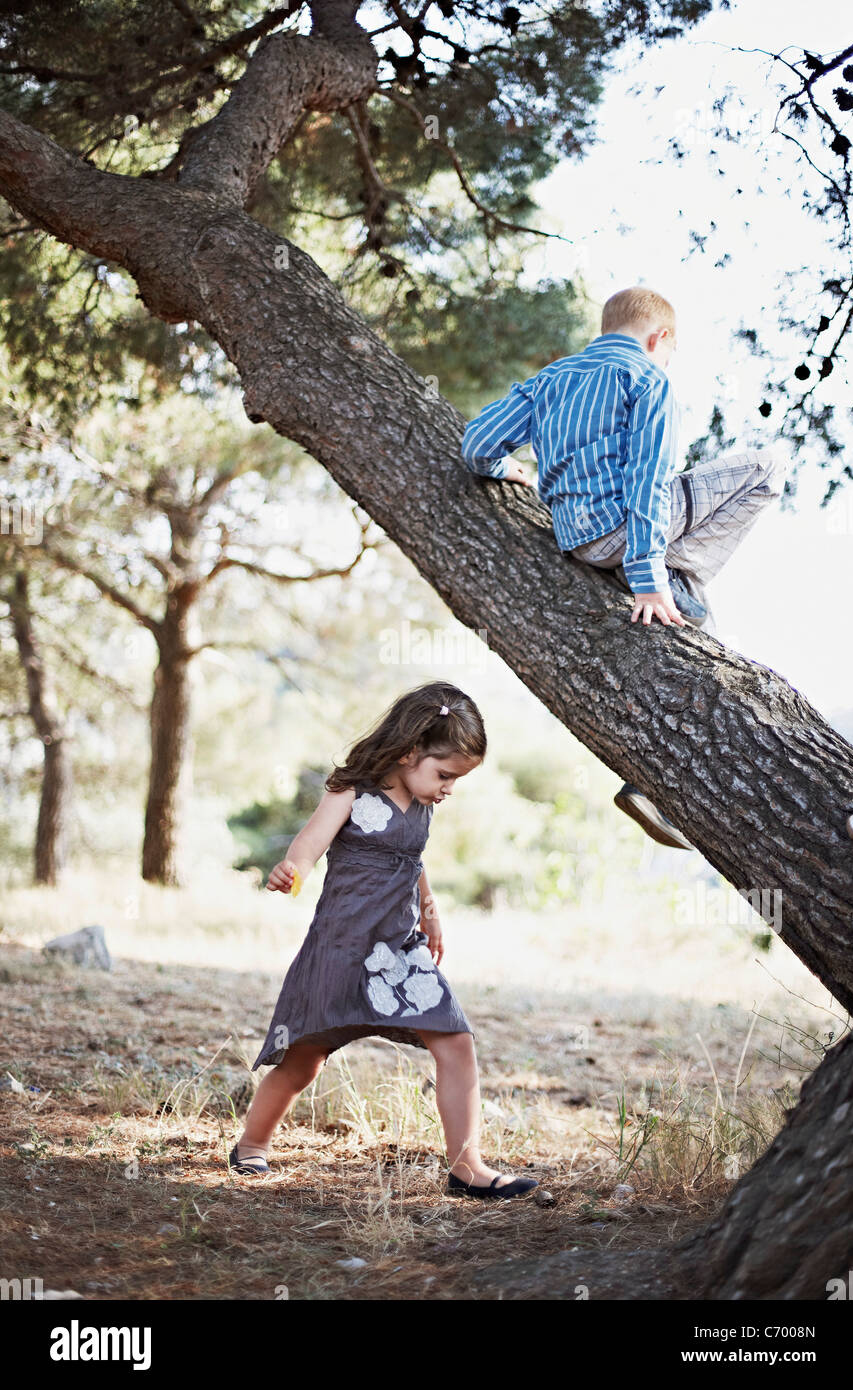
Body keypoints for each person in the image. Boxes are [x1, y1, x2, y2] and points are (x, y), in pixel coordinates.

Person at [460, 285, 786, 851]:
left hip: (576, 539)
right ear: (659, 338)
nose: (666, 360)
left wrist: (506, 468)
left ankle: (682, 588)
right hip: (627, 534)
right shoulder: (647, 379)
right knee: (768, 464)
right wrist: (647, 576)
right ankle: (679, 580)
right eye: (669, 351)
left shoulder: (550, 381)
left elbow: (476, 443)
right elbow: (649, 481)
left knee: (696, 601)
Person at [229, 681, 538, 1202]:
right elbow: (310, 842)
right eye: (444, 775)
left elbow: (412, 861)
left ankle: (467, 1167)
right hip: (342, 948)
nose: (447, 789)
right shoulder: (352, 791)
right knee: (303, 1060)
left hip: (399, 951)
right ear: (407, 752)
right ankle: (251, 1145)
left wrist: (432, 912)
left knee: (456, 1042)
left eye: (456, 780)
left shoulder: (422, 804)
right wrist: (293, 871)